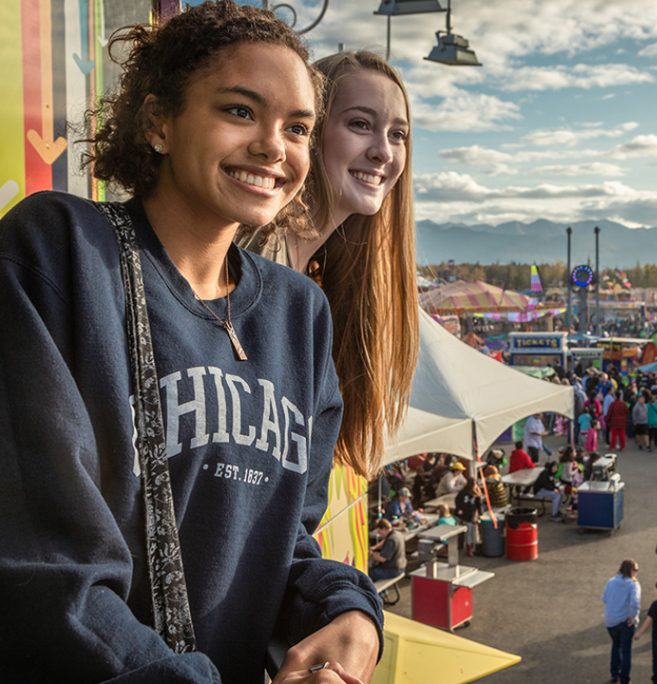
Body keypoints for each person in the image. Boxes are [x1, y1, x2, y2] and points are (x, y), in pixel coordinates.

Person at [0, 3, 381, 681]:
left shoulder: (300, 314)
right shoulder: (57, 253)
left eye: (297, 127)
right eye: (239, 111)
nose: (274, 146)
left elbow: (280, 541)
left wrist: (344, 611)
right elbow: (41, 564)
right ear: (158, 123)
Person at [238, 49, 419, 480]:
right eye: (360, 124)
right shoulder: (258, 250)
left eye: (398, 134)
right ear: (310, 133)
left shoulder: (308, 277)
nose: (383, 152)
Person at [602, 559, 642, 684]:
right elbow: (635, 603)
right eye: (636, 570)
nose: (637, 573)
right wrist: (632, 616)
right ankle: (624, 679)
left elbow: (604, 598)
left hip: (610, 621)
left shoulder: (611, 581)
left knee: (616, 645)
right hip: (625, 622)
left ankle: (615, 674)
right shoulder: (633, 585)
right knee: (626, 650)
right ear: (631, 570)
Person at [453, 478, 482, 557]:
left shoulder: (464, 493)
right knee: (468, 533)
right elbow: (478, 505)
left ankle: (466, 547)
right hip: (467, 516)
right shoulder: (472, 494)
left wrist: (479, 514)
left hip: (465, 515)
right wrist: (480, 514)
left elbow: (457, 501)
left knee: (466, 532)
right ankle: (467, 548)